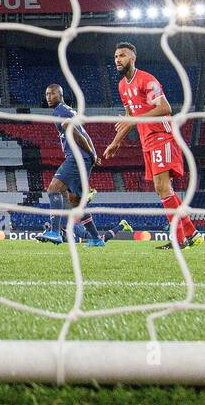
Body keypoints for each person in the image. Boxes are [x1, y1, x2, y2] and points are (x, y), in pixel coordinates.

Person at [102, 42, 200, 250]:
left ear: (133, 58)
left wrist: (134, 120)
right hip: (147, 141)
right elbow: (130, 118)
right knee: (164, 190)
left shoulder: (147, 80)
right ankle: (191, 233)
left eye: (122, 56)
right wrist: (114, 143)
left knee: (162, 187)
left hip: (162, 136)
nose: (118, 59)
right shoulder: (122, 87)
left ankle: (180, 239)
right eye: (116, 56)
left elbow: (165, 108)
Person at [37, 83, 105, 246]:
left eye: (52, 94)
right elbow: (85, 134)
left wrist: (90, 153)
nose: (49, 97)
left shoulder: (60, 111)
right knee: (75, 201)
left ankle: (55, 232)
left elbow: (72, 130)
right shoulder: (69, 110)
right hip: (85, 159)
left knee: (53, 189)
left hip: (77, 158)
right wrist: (93, 154)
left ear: (60, 95)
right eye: (47, 94)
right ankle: (96, 238)